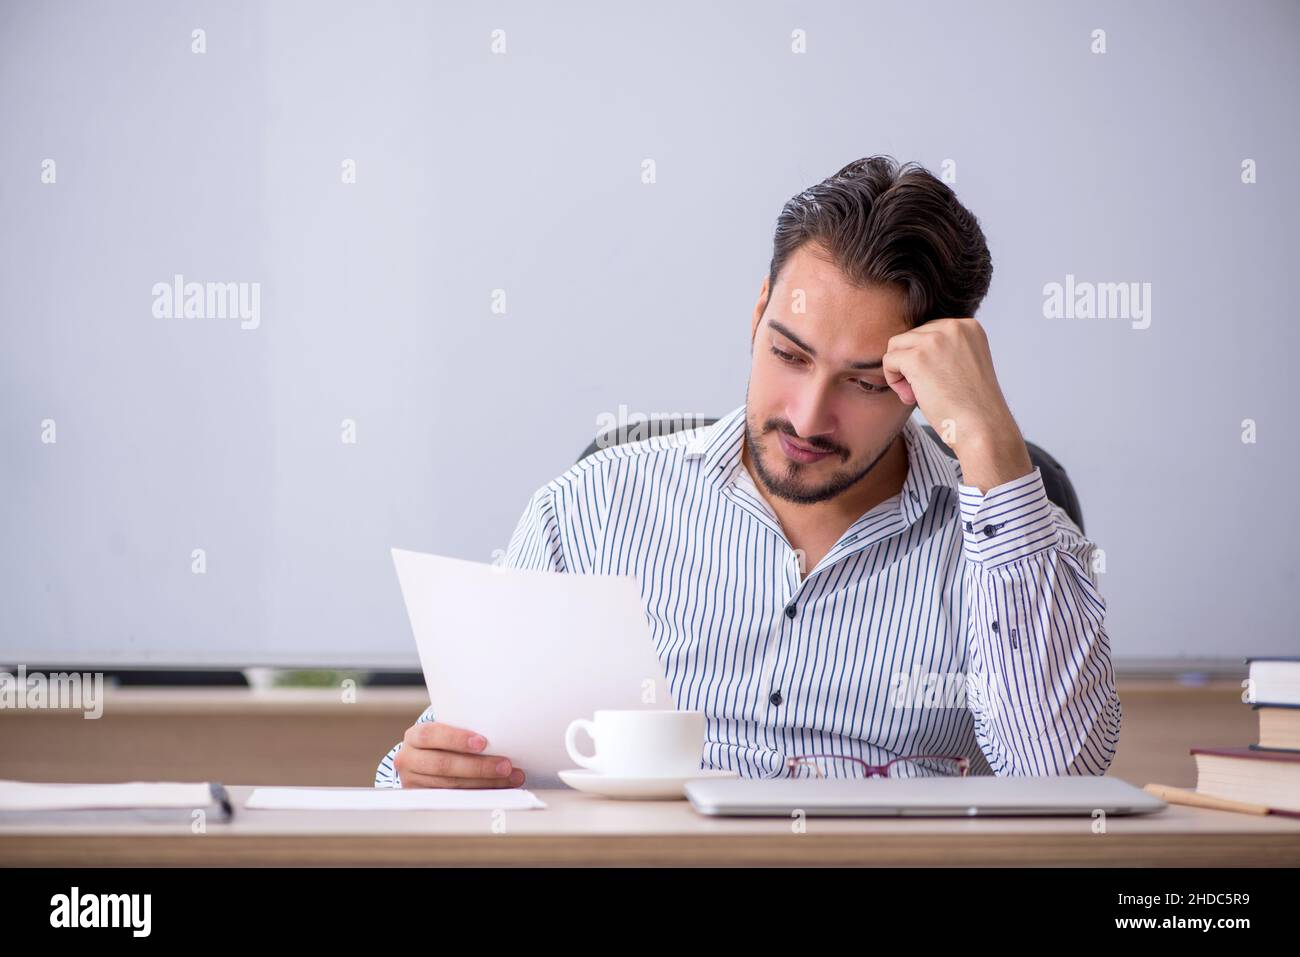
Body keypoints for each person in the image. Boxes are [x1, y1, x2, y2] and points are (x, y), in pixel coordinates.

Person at [375, 155, 1120, 788]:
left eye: (863, 382)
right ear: (759, 309)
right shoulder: (590, 510)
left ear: (927, 376)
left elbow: (1059, 784)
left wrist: (988, 439)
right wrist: (427, 774)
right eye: (789, 354)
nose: (805, 416)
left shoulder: (1013, 539)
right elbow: (448, 764)